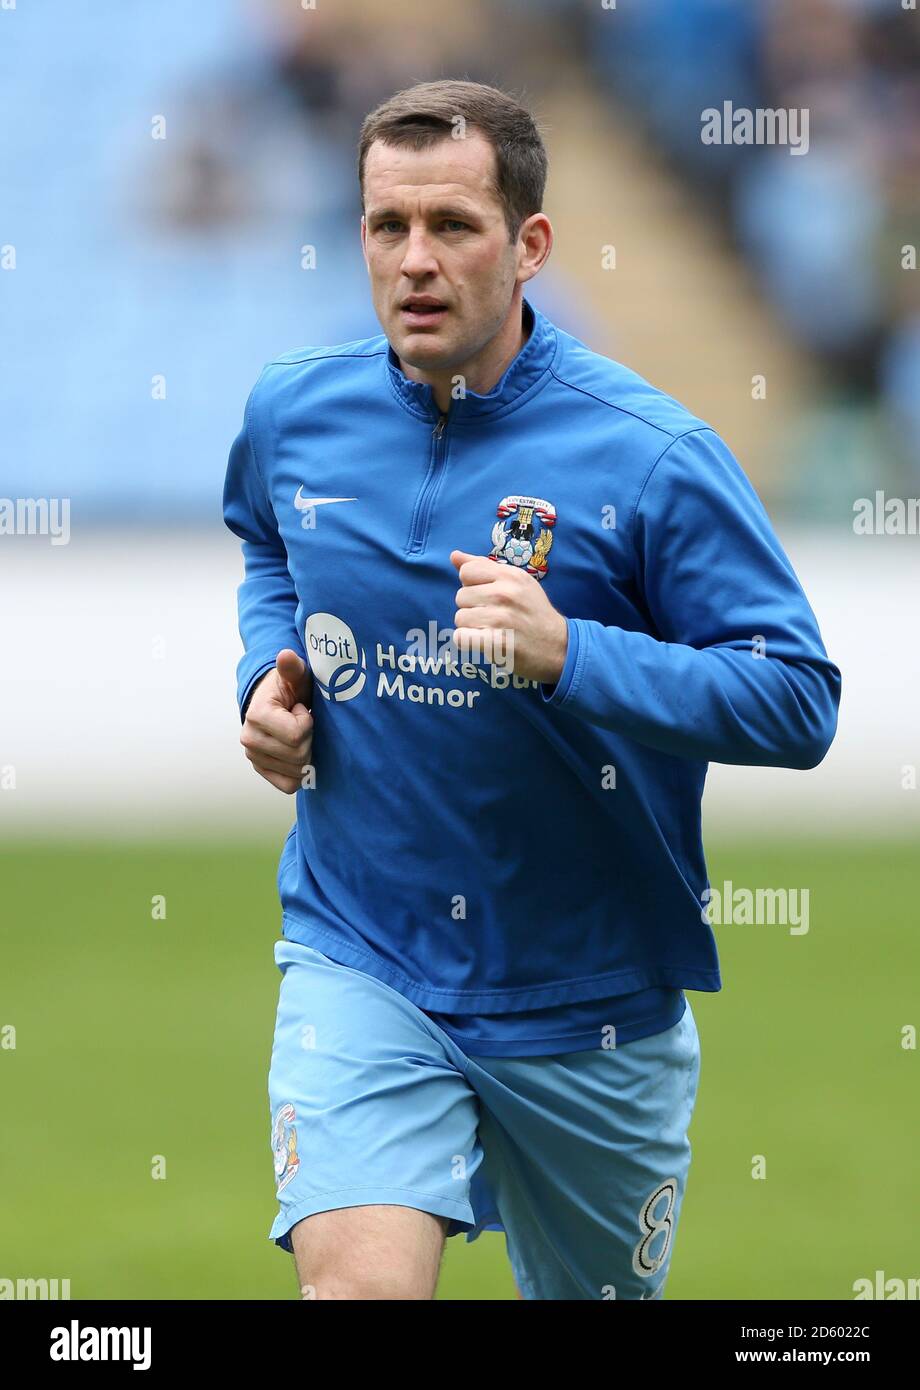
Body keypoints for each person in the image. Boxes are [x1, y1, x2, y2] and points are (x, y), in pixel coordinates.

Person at [222, 78, 842, 1300]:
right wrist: (267, 671)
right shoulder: (294, 412)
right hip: (364, 955)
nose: (413, 260)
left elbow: (795, 698)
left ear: (529, 245)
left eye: (451, 226)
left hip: (591, 1005)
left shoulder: (651, 455)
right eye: (384, 225)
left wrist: (573, 654)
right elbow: (265, 545)